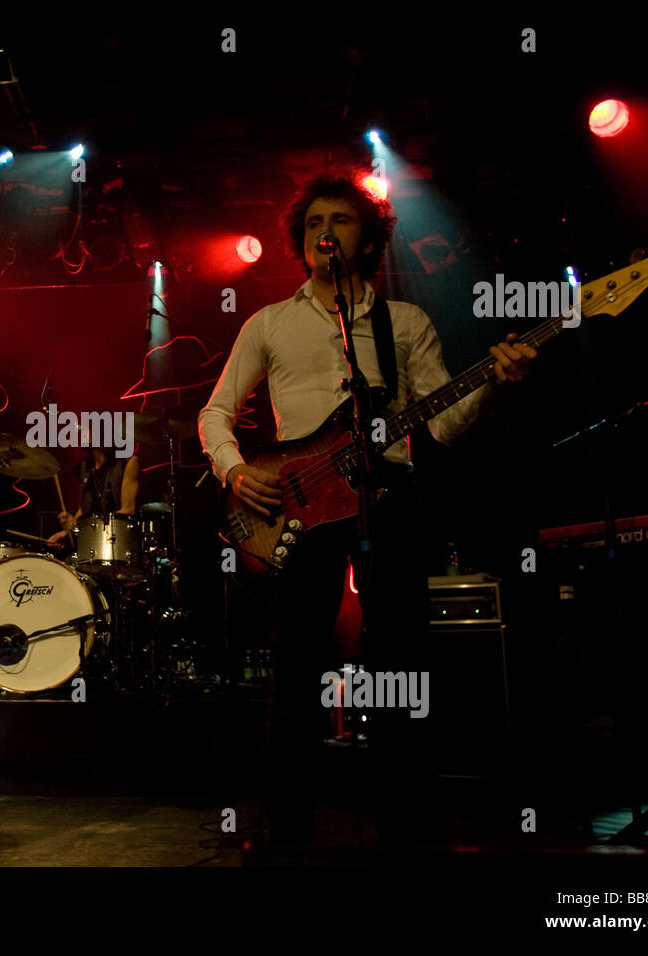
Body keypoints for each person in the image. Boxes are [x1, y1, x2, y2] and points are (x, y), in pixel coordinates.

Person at [198, 172, 536, 850]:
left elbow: (441, 424)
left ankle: (405, 832)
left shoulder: (403, 323)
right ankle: (287, 832)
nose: (327, 230)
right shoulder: (270, 322)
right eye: (314, 220)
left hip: (393, 505)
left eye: (343, 220)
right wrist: (237, 473)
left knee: (402, 668)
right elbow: (216, 411)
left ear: (369, 237)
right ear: (301, 241)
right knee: (296, 675)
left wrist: (493, 384)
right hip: (297, 513)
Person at [46, 446, 140, 549]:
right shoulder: (84, 465)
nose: (80, 431)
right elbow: (83, 510)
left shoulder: (127, 460)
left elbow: (128, 510)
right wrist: (68, 530)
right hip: (91, 547)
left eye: (87, 429)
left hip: (119, 546)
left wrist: (80, 526)